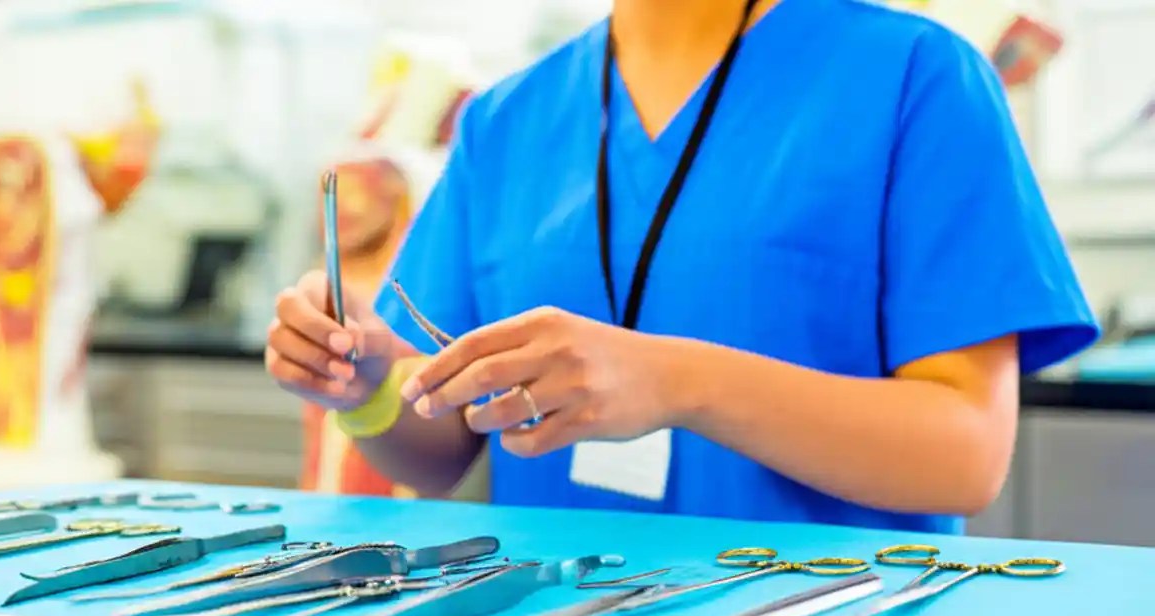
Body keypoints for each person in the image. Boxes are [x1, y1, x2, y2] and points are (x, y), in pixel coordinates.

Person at [266, 0, 1098, 533]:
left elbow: (964, 457)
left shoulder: (915, 76)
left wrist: (678, 383)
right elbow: (441, 449)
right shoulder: (506, 122)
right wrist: (363, 380)